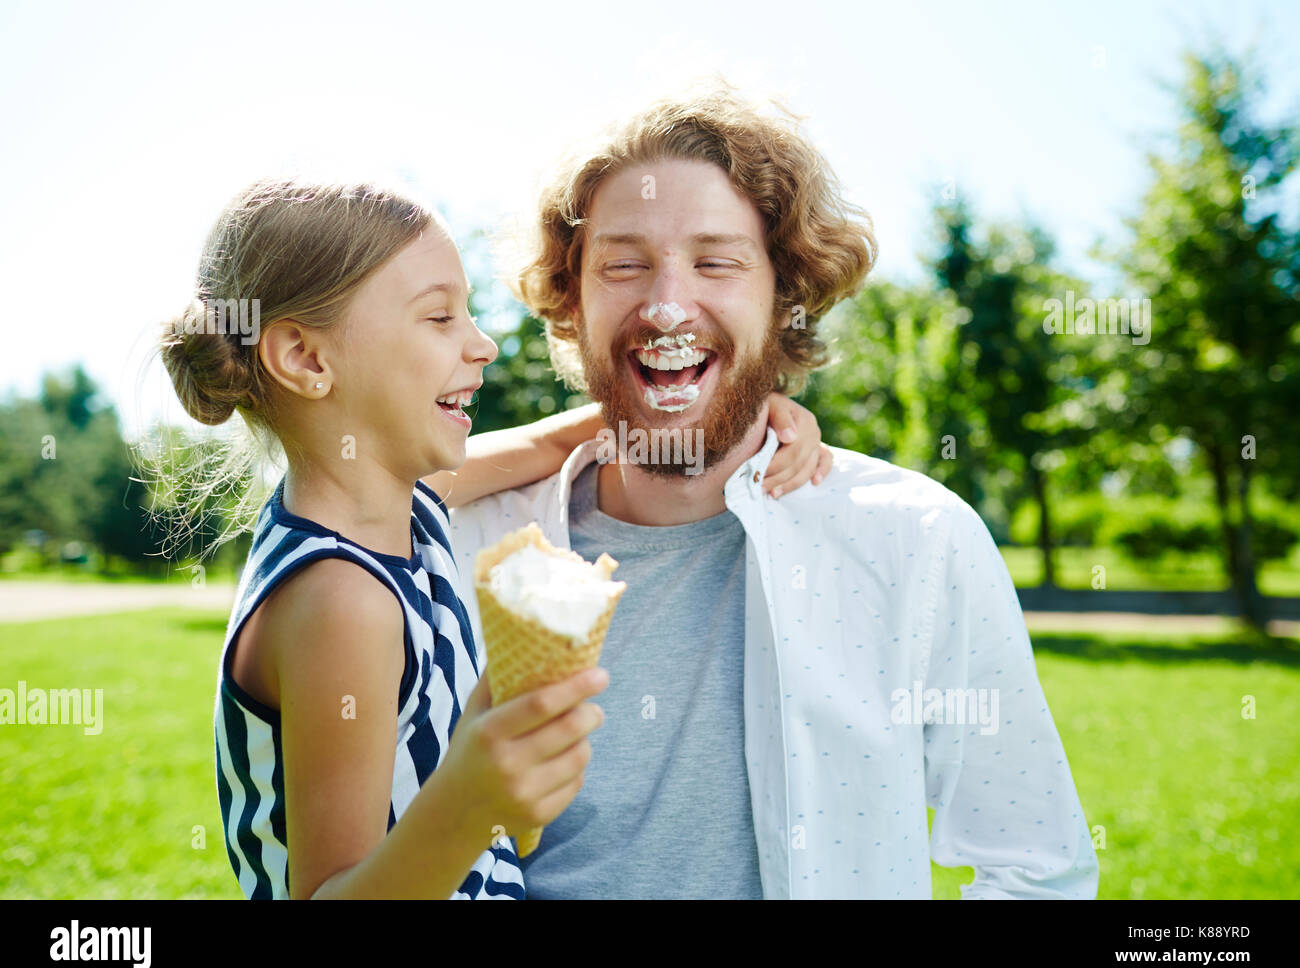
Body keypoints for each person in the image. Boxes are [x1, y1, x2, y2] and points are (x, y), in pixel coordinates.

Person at [448, 88, 1101, 899]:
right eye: (623, 264)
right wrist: (574, 432)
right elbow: (322, 493)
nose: (665, 306)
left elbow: (1038, 870)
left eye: (716, 261)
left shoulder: (917, 540)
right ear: (571, 299)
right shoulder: (459, 543)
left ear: (785, 295)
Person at [155, 177, 829, 899]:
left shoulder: (394, 503)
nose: (482, 344)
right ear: (308, 360)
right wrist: (471, 804)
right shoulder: (342, 600)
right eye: (439, 317)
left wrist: (750, 407)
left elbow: (556, 440)